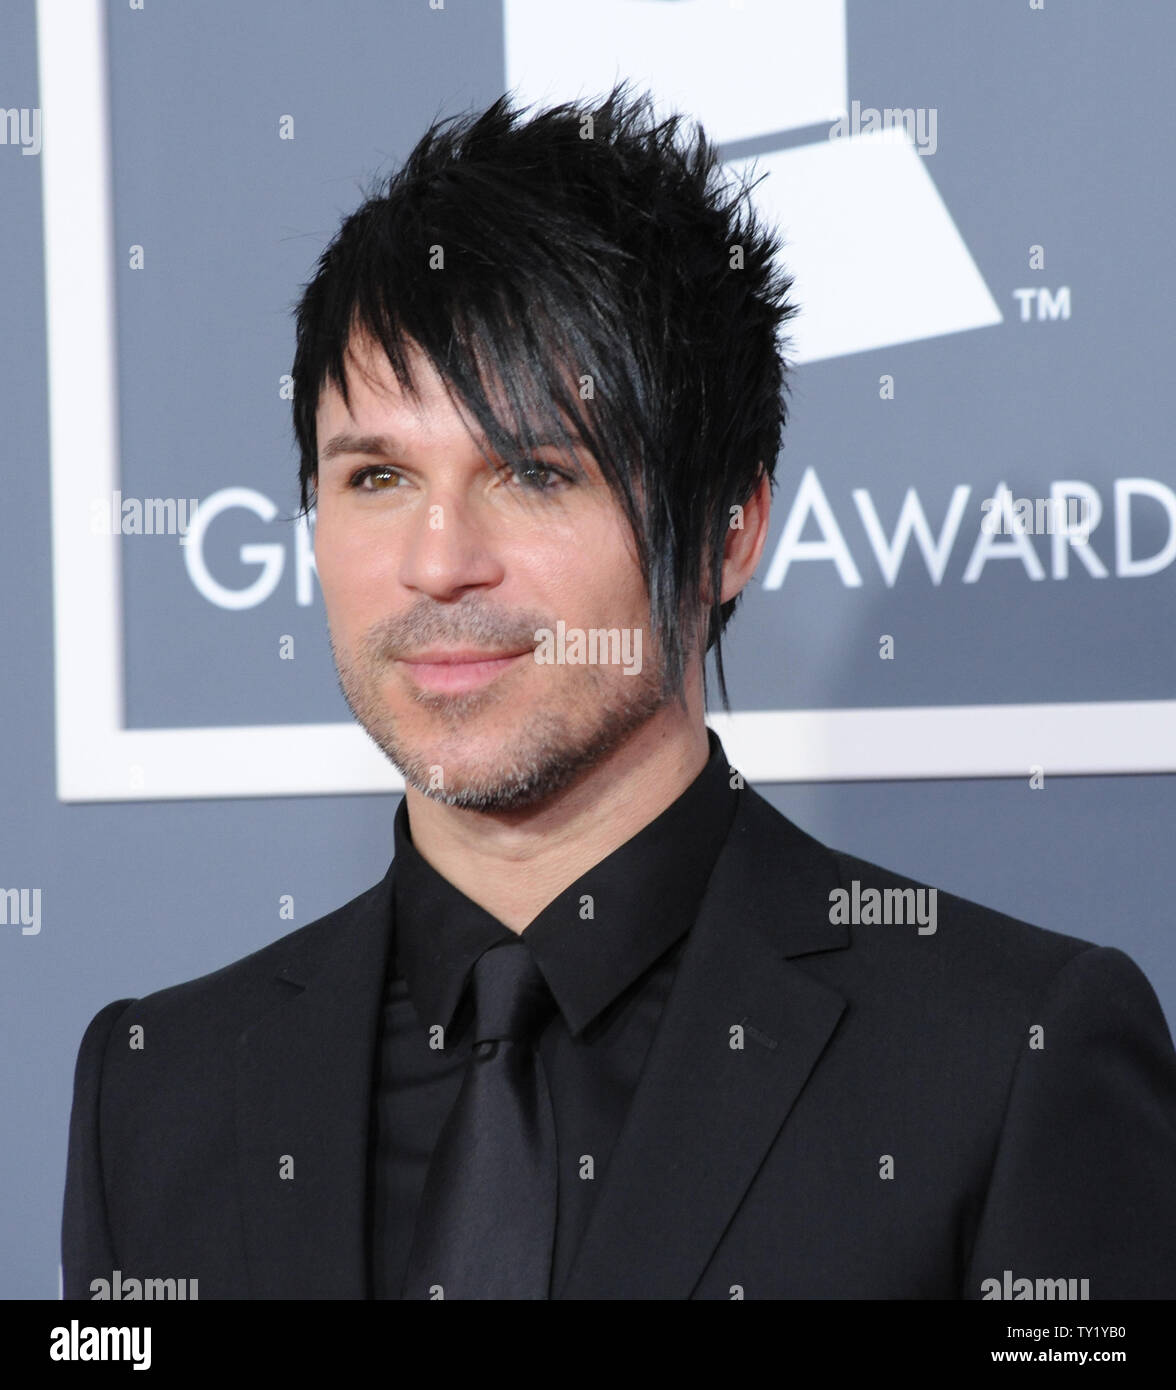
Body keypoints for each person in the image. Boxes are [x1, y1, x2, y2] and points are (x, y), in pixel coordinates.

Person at [62, 85, 1176, 1300]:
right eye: (378, 475)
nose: (439, 562)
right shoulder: (157, 1092)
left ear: (730, 528)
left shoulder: (1009, 1060)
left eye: (535, 473)